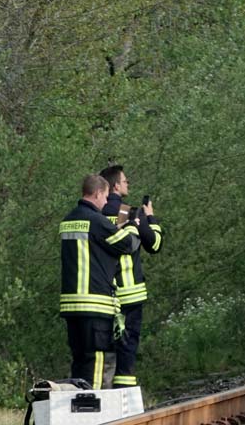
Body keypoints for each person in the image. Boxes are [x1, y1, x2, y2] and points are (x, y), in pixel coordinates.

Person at [61, 175, 140, 388]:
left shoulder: (68, 220)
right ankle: (92, 405)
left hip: (71, 306)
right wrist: (132, 226)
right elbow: (128, 245)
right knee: (96, 363)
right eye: (105, 197)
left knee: (80, 363)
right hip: (95, 305)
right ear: (97, 193)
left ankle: (78, 405)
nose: (106, 203)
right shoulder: (96, 221)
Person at [99, 165, 164, 389]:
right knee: (127, 347)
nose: (128, 184)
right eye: (126, 181)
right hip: (130, 294)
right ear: (116, 186)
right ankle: (124, 394)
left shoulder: (95, 215)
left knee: (104, 348)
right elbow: (155, 244)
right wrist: (150, 217)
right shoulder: (130, 213)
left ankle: (102, 392)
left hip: (102, 295)